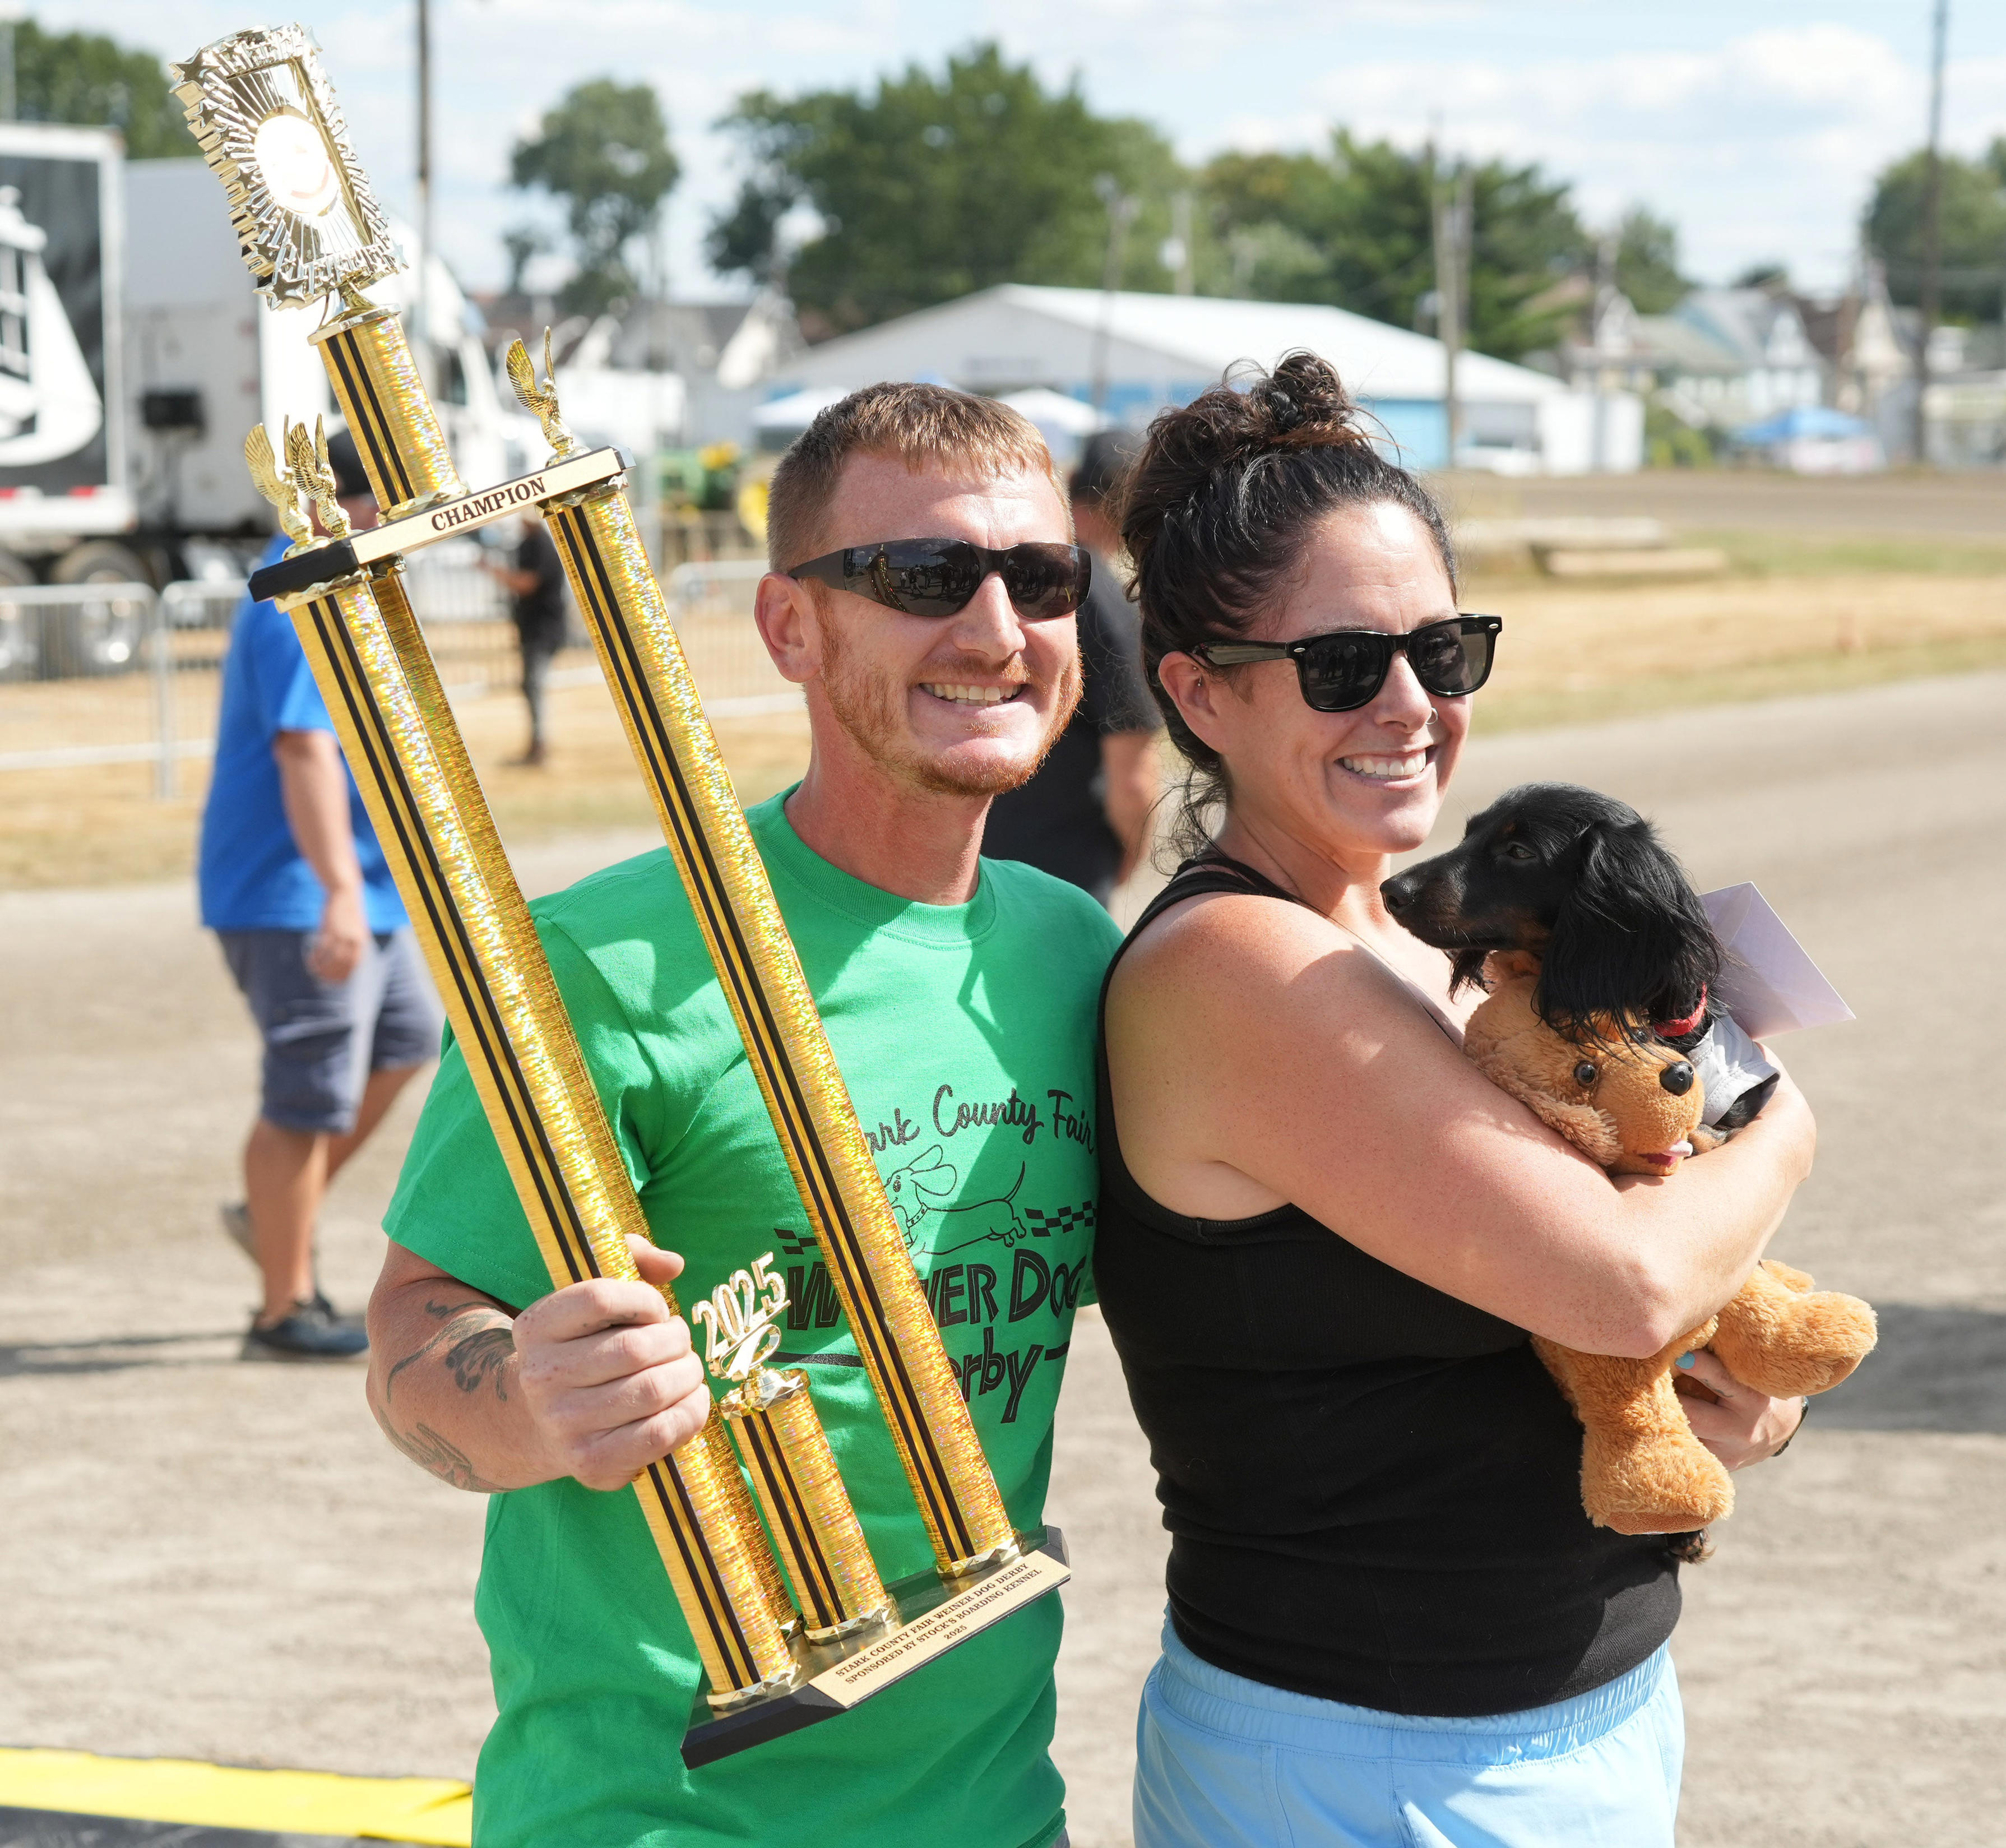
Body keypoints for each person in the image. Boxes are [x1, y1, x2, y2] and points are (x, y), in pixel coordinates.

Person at [365, 384, 1120, 1848]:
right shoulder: (592, 966)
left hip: (997, 1812)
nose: (993, 628)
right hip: (653, 1816)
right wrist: (528, 1396)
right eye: (918, 578)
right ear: (789, 627)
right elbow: (410, 1335)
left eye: (1041, 580)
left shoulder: (1077, 956)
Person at [1092, 354, 1817, 1848]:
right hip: (1369, 1767)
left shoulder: (1422, 949)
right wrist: (1790, 1121)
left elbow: (1592, 1311)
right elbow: (1625, 1280)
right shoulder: (1237, 967)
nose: (1413, 706)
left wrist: (1740, 1402)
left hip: (1566, 1720)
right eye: (1347, 665)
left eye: (1447, 650)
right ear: (1197, 690)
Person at [200, 428, 441, 1361]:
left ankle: (272, 1219)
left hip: (351, 884)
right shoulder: (299, 587)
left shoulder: (343, 583)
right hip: (296, 887)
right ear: (353, 503)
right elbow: (300, 747)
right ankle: (280, 1305)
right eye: (404, 507)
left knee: (408, 1038)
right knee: (309, 1090)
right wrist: (340, 891)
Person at [983, 430, 1161, 905]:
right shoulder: (1108, 606)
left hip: (983, 860)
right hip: (1065, 876)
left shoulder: (1012, 580)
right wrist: (1130, 857)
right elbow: (1133, 777)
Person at [481, 506, 570, 765]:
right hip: (534, 627)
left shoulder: (540, 544)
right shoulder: (528, 543)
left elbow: (527, 584)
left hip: (544, 628)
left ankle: (539, 745)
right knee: (532, 686)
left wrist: (493, 571)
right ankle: (537, 743)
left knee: (534, 686)